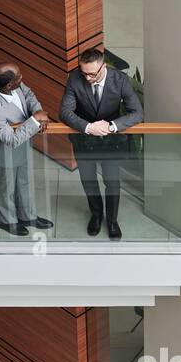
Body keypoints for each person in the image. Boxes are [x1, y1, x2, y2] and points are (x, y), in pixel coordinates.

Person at [59, 48, 143, 239]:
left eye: (92, 74)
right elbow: (65, 112)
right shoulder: (74, 78)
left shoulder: (120, 79)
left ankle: (112, 220)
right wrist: (88, 127)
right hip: (84, 140)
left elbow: (137, 113)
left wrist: (112, 126)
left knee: (112, 182)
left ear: (103, 66)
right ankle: (96, 215)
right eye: (84, 73)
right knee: (88, 181)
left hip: (111, 141)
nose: (87, 78)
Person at [0, 62, 54, 237]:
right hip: (4, 152)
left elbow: (28, 94)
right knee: (6, 187)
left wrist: (39, 112)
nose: (22, 79)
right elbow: (12, 140)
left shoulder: (11, 83)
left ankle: (27, 216)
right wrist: (36, 121)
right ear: (8, 85)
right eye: (19, 78)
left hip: (23, 146)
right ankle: (6, 220)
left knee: (24, 182)